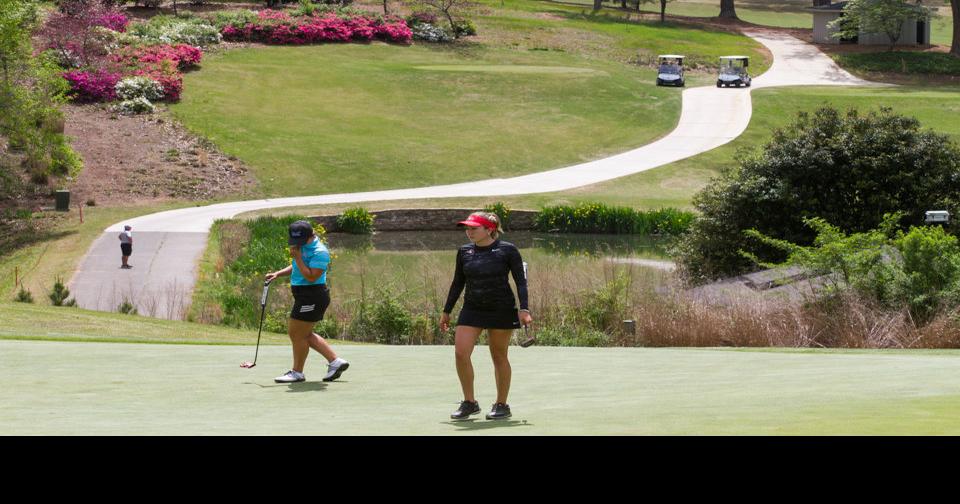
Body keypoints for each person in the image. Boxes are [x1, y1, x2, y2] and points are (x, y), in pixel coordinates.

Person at [441, 211, 533, 420]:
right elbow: (458, 283)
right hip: (472, 309)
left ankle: (502, 404)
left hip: (501, 308)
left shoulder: (507, 250)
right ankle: (469, 402)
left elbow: (520, 281)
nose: (469, 232)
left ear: (489, 230)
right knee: (460, 353)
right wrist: (446, 311)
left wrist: (524, 309)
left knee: (499, 356)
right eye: (467, 228)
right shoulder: (464, 252)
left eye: (474, 228)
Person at [264, 220, 349, 383]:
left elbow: (311, 276)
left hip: (313, 295)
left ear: (312, 236)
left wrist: (297, 256)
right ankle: (335, 362)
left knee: (296, 334)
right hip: (304, 295)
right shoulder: (303, 246)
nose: (298, 245)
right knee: (303, 334)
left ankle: (297, 373)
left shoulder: (320, 252)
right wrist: (278, 273)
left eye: (301, 241)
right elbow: (297, 265)